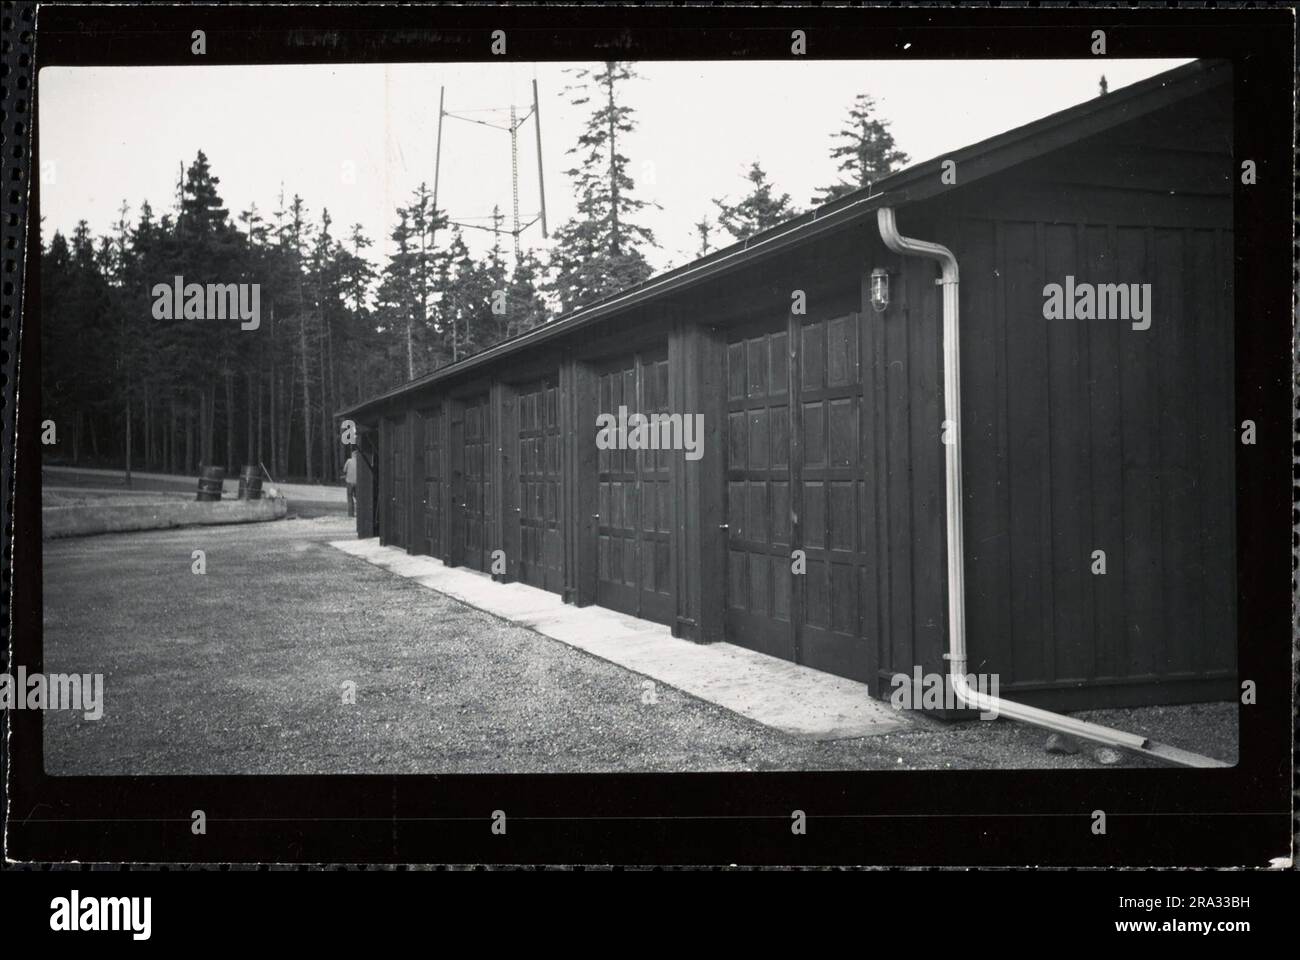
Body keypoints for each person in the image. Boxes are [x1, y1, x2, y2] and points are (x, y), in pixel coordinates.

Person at [344, 448, 357, 517]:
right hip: (357, 482)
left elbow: (344, 469)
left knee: (349, 497)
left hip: (349, 481)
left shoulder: (349, 461)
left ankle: (350, 514)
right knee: (358, 498)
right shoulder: (359, 462)